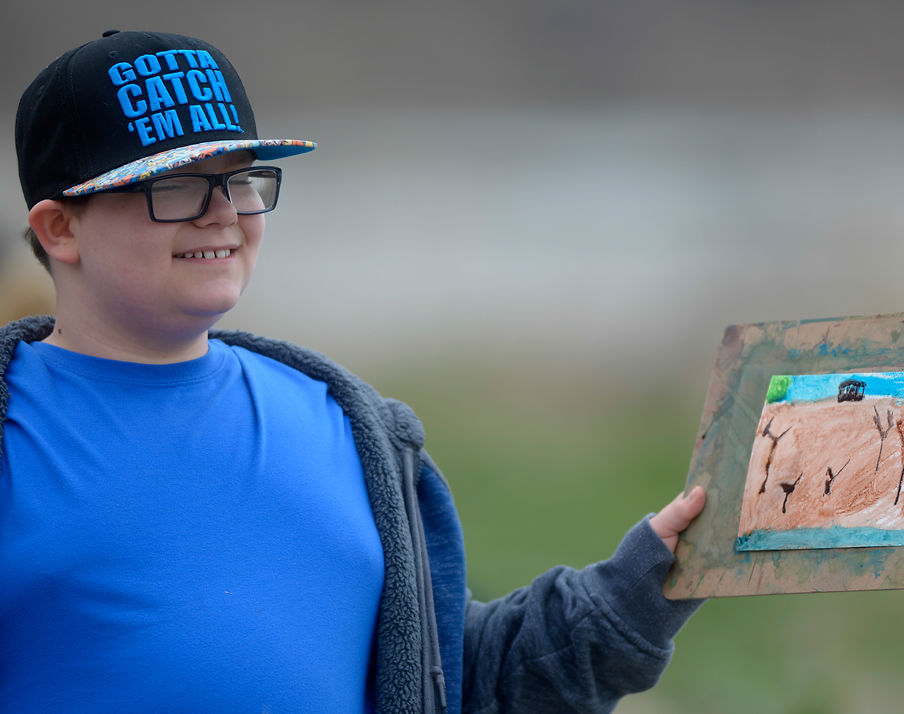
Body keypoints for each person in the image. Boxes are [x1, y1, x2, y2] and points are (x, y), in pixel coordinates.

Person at [1, 30, 707, 712]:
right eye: (179, 187)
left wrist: (642, 586)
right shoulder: (16, 432)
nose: (223, 214)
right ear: (61, 228)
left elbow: (459, 682)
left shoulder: (351, 426)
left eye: (239, 180)